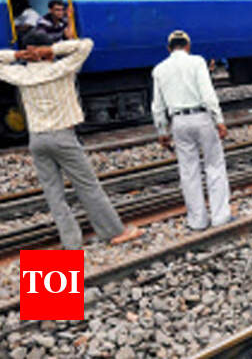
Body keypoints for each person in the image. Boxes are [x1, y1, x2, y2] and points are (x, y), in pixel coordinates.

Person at [0, 32, 143, 248]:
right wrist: (54, 50)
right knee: (88, 187)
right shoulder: (61, 68)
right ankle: (114, 231)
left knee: (53, 194)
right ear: (47, 51)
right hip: (63, 137)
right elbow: (86, 45)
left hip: (37, 140)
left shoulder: (20, 74)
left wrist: (17, 55)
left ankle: (71, 242)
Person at [152, 30, 233, 230]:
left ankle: (197, 221)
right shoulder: (197, 62)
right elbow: (208, 94)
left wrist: (162, 131)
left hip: (178, 122)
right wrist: (219, 120)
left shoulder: (159, 69)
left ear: (168, 48)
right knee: (214, 165)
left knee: (188, 171)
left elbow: (157, 106)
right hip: (202, 118)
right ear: (188, 46)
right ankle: (220, 216)